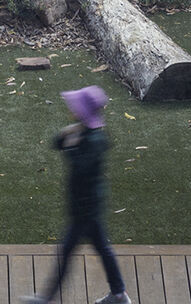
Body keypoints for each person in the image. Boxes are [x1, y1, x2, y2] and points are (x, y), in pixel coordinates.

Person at [21, 86, 128, 304]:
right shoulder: (83, 132)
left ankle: (47, 298)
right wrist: (66, 135)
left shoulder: (94, 140)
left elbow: (81, 167)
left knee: (67, 253)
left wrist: (71, 146)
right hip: (87, 207)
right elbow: (56, 144)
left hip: (85, 210)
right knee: (103, 250)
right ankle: (119, 294)